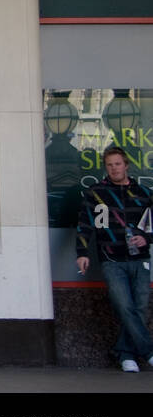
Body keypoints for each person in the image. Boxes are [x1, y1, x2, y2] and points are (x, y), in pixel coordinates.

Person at [76, 145, 153, 372]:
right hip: (111, 259)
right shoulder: (95, 193)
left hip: (141, 259)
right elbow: (84, 225)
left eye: (118, 164)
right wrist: (81, 253)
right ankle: (148, 351)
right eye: (110, 165)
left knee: (139, 307)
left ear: (126, 165)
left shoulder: (144, 194)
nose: (114, 168)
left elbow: (151, 227)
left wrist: (146, 239)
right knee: (124, 306)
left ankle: (125, 353)